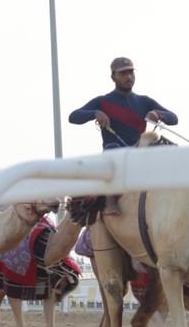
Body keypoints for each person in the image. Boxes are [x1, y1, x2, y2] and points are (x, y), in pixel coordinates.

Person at [68, 56, 178, 214]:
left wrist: (158, 114)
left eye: (131, 73)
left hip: (139, 152)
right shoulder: (103, 102)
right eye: (123, 73)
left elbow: (174, 118)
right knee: (114, 149)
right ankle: (111, 200)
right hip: (115, 153)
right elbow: (73, 117)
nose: (128, 77)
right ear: (113, 76)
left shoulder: (144, 101)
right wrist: (95, 113)